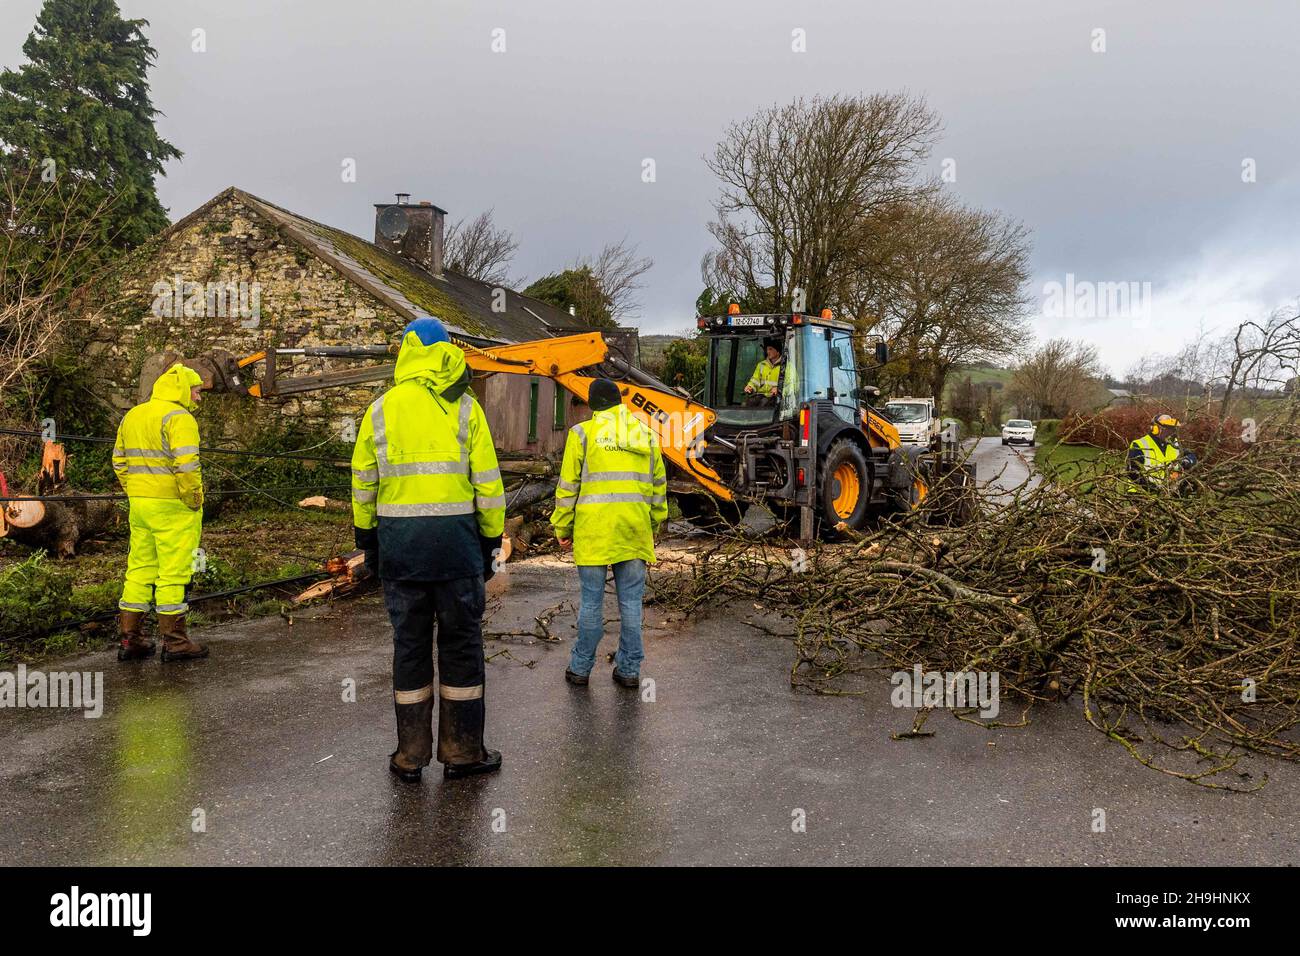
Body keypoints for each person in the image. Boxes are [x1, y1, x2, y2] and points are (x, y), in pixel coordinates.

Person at [351, 316, 506, 782]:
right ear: (446, 353)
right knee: (461, 645)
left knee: (410, 648)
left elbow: (362, 482)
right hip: (457, 549)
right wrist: (490, 541)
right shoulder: (465, 408)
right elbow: (488, 485)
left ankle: (410, 756)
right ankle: (462, 753)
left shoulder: (380, 409)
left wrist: (367, 541)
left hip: (401, 550)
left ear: (404, 353)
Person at [551, 378, 668, 688]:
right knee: (631, 604)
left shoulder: (582, 435)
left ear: (592, 405)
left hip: (594, 532)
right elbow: (659, 487)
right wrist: (653, 522)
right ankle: (629, 670)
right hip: (633, 529)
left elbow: (567, 489)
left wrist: (562, 527)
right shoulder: (645, 434)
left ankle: (580, 668)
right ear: (620, 403)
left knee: (591, 602)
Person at [112, 363, 208, 662]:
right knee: (173, 571)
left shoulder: (134, 414)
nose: (198, 397)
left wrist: (136, 490)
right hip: (173, 507)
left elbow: (119, 460)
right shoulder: (180, 418)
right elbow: (187, 465)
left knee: (139, 567)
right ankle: (175, 642)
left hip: (140, 505)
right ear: (181, 389)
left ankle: (131, 640)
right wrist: (193, 497)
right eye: (196, 390)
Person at [1127, 413, 1182, 492]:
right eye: (1166, 429)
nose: (1170, 432)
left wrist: (1187, 462)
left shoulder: (1174, 444)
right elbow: (1132, 472)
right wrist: (1153, 488)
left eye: (1172, 429)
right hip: (1140, 494)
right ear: (1155, 429)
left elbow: (1189, 455)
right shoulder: (1140, 445)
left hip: (1165, 494)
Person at [743, 338, 784, 404]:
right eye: (767, 349)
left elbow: (792, 386)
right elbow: (755, 381)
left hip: (777, 400)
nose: (768, 352)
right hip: (760, 397)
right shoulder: (761, 365)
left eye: (770, 349)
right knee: (748, 403)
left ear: (778, 351)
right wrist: (750, 387)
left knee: (765, 402)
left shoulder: (786, 366)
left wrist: (779, 389)